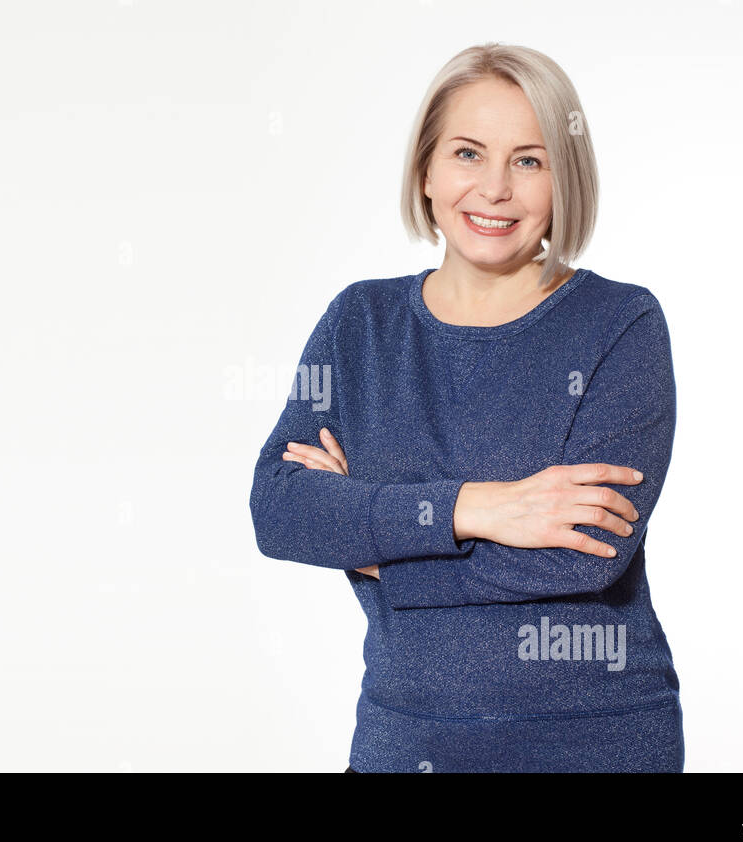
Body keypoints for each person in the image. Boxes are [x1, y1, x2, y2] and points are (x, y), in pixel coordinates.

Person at [248, 43, 683, 772]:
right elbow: (280, 507)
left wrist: (376, 550)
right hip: (404, 741)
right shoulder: (360, 324)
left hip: (593, 744)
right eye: (468, 153)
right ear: (426, 170)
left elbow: (582, 559)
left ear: (563, 178)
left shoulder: (621, 324)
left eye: (529, 160)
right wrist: (476, 508)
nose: (495, 189)